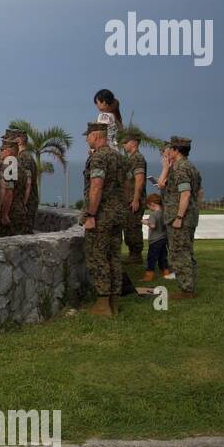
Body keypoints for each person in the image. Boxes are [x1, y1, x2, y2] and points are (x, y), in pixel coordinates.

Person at [81, 121, 127, 317]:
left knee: (97, 256)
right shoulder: (118, 157)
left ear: (96, 136)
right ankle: (113, 301)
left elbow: (96, 186)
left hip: (102, 215)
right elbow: (125, 186)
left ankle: (102, 304)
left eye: (88, 136)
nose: (86, 139)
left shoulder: (99, 157)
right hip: (117, 214)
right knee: (114, 256)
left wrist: (90, 214)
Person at [159, 136, 201, 298]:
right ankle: (188, 286)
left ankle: (187, 290)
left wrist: (179, 217)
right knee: (186, 252)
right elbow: (162, 185)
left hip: (181, 219)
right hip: (188, 216)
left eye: (169, 150)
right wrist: (165, 168)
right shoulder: (188, 167)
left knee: (179, 253)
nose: (166, 153)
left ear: (176, 151)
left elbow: (186, 193)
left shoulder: (181, 168)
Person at [120, 127, 148, 263]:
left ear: (134, 143)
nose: (123, 145)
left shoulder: (137, 158)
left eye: (126, 143)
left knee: (133, 228)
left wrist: (136, 199)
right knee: (129, 227)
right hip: (128, 199)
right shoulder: (131, 158)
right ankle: (133, 254)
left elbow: (140, 179)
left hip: (133, 199)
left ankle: (136, 255)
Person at [141, 193, 168, 282]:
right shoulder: (163, 212)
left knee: (152, 258)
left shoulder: (153, 214)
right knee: (163, 257)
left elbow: (152, 225)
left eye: (149, 206)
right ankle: (166, 272)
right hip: (163, 238)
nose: (149, 209)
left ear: (152, 204)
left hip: (155, 240)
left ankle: (149, 275)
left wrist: (146, 222)